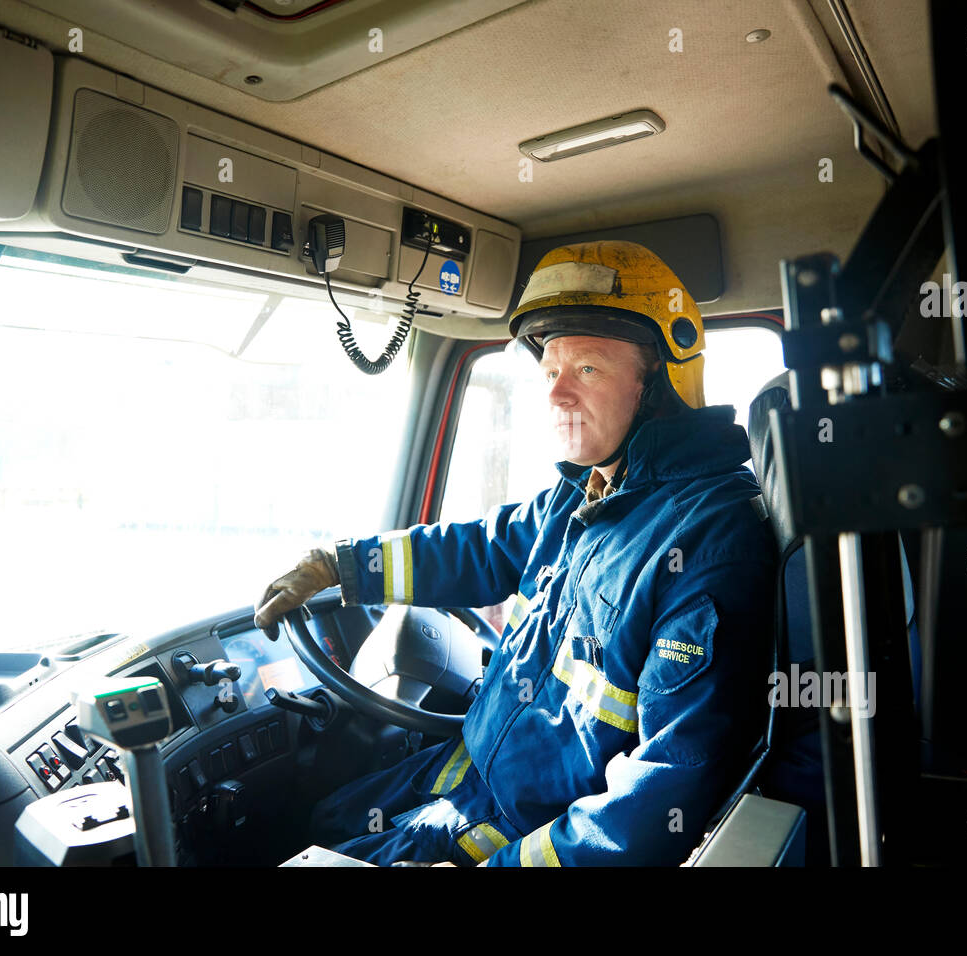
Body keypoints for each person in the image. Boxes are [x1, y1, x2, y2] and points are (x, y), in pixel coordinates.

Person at [254, 240, 777, 866]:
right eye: (549, 370)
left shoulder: (711, 541)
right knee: (316, 818)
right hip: (466, 778)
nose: (556, 394)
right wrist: (341, 566)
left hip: (522, 831)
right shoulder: (586, 489)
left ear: (658, 386)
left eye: (586, 370)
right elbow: (481, 548)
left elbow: (664, 789)